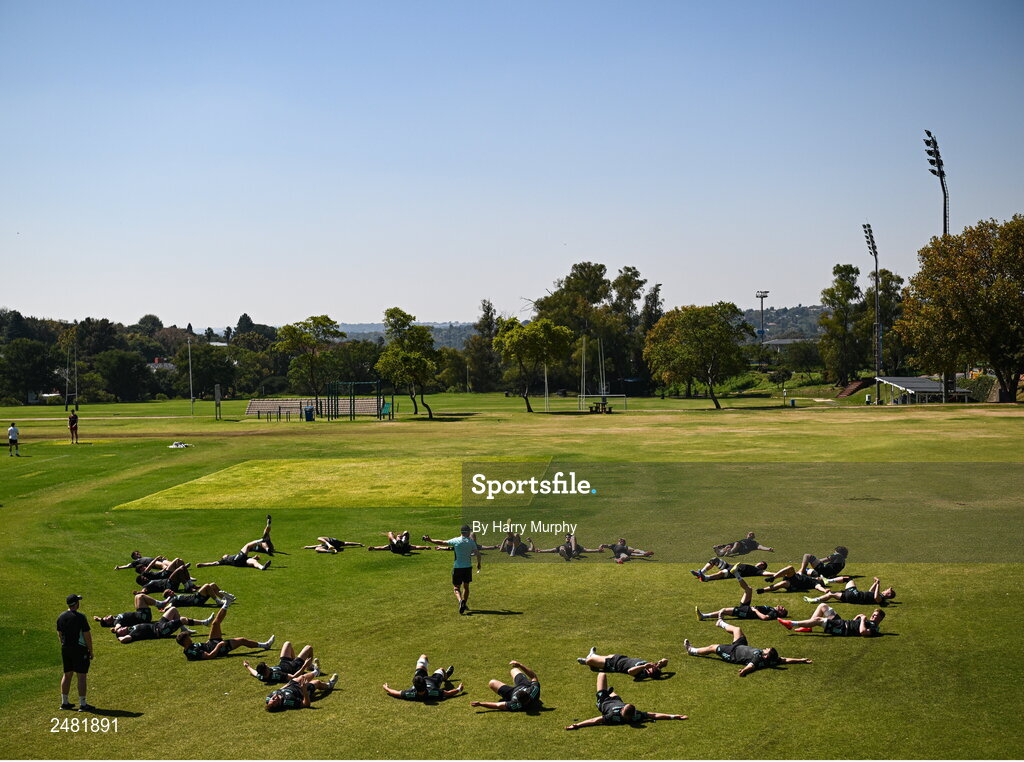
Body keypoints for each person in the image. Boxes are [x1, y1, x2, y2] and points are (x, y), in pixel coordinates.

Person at [684, 619, 811, 676]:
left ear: (766, 655)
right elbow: (785, 660)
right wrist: (801, 660)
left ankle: (691, 650)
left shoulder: (757, 658)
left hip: (733, 654)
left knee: (713, 647)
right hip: (741, 646)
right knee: (737, 629)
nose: (765, 648)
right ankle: (720, 622)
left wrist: (743, 671)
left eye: (767, 649)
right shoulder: (772, 659)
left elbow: (751, 666)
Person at [564, 671, 686, 729]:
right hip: (613, 701)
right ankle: (610, 691)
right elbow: (595, 720)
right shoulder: (620, 715)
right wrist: (577, 725)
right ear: (623, 710)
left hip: (604, 701)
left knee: (602, 676)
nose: (629, 720)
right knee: (602, 674)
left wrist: (675, 716)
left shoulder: (628, 715)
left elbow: (653, 715)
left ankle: (609, 691)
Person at [175, 604, 274, 660]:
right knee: (242, 640)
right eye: (188, 638)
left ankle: (227, 603)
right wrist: (219, 645)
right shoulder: (191, 652)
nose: (190, 638)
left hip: (211, 643)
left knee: (215, 623)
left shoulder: (190, 647)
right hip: (219, 650)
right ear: (184, 642)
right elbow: (210, 656)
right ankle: (265, 645)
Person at [423, 525, 480, 614]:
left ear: (461, 532)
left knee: (456, 588)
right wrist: (479, 564)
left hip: (457, 567)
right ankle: (464, 603)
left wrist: (430, 540)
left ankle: (460, 601)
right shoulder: (471, 542)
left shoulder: (456, 540)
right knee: (466, 587)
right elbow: (478, 554)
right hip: (467, 567)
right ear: (468, 532)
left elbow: (442, 542)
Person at [57, 594, 93, 711]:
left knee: (67, 674)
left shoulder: (61, 617)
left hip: (66, 649)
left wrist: (64, 645)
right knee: (81, 676)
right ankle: (82, 704)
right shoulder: (80, 617)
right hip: (79, 649)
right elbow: (87, 635)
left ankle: (64, 702)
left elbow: (60, 634)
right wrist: (90, 650)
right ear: (76, 604)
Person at [695, 576, 788, 621]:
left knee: (723, 610)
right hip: (748, 608)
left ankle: (705, 617)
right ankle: (736, 574)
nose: (782, 607)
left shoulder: (773, 613)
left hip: (747, 612)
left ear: (780, 614)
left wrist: (755, 611)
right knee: (749, 589)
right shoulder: (773, 610)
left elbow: (764, 618)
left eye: (783, 609)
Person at [112, 605, 210, 644]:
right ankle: (204, 622)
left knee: (173, 609)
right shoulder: (132, 634)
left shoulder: (130, 629)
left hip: (159, 624)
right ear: (122, 634)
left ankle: (184, 630)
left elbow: (120, 626)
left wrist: (117, 629)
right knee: (182, 619)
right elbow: (124, 640)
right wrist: (119, 638)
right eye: (121, 630)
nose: (122, 628)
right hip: (161, 630)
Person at [383, 654, 462, 701]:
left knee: (423, 657)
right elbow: (448, 693)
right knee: (441, 669)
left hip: (420, 679)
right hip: (434, 681)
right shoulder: (434, 691)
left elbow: (396, 693)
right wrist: (459, 689)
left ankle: (426, 671)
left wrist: (387, 688)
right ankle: (446, 677)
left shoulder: (411, 693)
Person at [470, 660, 541, 711]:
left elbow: (497, 705)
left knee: (492, 683)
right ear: (528, 694)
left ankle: (511, 686)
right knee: (514, 669)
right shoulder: (533, 691)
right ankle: (517, 679)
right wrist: (520, 665)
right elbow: (533, 676)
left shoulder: (515, 705)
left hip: (511, 692)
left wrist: (481, 704)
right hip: (523, 684)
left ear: (518, 700)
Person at [779, 605, 885, 636]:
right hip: (843, 622)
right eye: (873, 614)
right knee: (823, 606)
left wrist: (862, 619)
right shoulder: (869, 622)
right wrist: (858, 617)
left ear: (880, 619)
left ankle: (791, 623)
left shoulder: (875, 629)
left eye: (876, 616)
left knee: (818, 620)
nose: (873, 616)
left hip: (842, 628)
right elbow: (855, 624)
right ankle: (808, 627)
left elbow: (862, 632)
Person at [756, 557, 844, 595]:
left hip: (796, 583)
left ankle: (764, 589)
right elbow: (807, 570)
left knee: (783, 583)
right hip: (795, 578)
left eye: (820, 578)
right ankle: (772, 578)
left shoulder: (815, 582)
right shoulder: (813, 577)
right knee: (789, 568)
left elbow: (818, 587)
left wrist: (824, 590)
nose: (819, 577)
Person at [245, 641, 319, 684]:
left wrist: (247, 666)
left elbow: (254, 673)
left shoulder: (261, 676)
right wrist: (304, 665)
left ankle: (295, 659)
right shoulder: (277, 675)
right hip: (293, 667)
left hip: (284, 662)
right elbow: (293, 677)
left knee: (287, 643)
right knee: (309, 648)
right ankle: (309, 666)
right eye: (266, 666)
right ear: (266, 671)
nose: (267, 665)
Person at [265, 670, 338, 712]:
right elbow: (306, 704)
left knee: (301, 677)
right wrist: (304, 690)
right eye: (274, 699)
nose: (274, 697)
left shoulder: (269, 697)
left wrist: (289, 683)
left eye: (272, 699)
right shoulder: (288, 701)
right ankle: (330, 685)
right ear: (278, 703)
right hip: (301, 690)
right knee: (317, 682)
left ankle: (316, 671)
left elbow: (280, 689)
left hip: (292, 685)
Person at [576, 648, 668, 679]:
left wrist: (644, 666)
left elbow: (630, 671)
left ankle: (587, 660)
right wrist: (660, 663)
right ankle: (593, 655)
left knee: (590, 661)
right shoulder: (654, 668)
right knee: (604, 656)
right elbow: (665, 660)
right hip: (620, 658)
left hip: (613, 665)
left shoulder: (643, 673)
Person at [803, 577, 895, 606]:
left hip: (855, 595)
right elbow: (871, 592)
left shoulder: (881, 598)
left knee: (848, 579)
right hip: (852, 597)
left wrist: (878, 584)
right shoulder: (880, 595)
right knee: (831, 594)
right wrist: (875, 583)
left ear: (888, 594)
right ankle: (813, 600)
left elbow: (875, 598)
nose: (886, 589)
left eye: (888, 590)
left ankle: (828, 581)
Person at [143, 583, 234, 609]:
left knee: (212, 585)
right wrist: (164, 609)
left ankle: (226, 598)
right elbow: (169, 606)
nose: (171, 591)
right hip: (196, 600)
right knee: (206, 586)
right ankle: (218, 601)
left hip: (197, 597)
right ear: (168, 596)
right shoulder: (173, 600)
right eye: (169, 592)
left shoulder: (176, 596)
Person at [195, 541, 271, 570]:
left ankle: (262, 567)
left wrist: (255, 557)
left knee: (254, 562)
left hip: (242, 563)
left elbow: (244, 559)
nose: (225, 554)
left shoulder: (227, 560)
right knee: (247, 545)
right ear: (223, 558)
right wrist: (202, 564)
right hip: (237, 560)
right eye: (224, 555)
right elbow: (213, 563)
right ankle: (261, 540)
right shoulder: (224, 560)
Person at [533, 534, 604, 561]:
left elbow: (586, 550)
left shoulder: (576, 545)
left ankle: (573, 552)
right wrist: (541, 551)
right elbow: (552, 550)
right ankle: (565, 556)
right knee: (561, 548)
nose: (567, 538)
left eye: (568, 537)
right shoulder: (563, 544)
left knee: (574, 536)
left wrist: (598, 550)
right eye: (566, 537)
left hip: (574, 551)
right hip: (566, 551)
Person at [690, 558, 770, 582]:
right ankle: (700, 573)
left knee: (722, 573)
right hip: (729, 566)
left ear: (762, 567)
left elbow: (767, 573)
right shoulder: (753, 566)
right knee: (714, 560)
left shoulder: (757, 571)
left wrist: (781, 573)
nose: (760, 563)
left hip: (734, 572)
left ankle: (705, 577)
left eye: (762, 564)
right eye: (761, 562)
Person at [366, 530, 435, 554]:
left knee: (390, 533)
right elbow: (416, 547)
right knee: (406, 532)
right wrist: (425, 547)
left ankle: (396, 541)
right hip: (404, 548)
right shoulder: (408, 547)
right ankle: (401, 540)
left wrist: (374, 548)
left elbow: (383, 547)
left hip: (395, 548)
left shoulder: (391, 547)